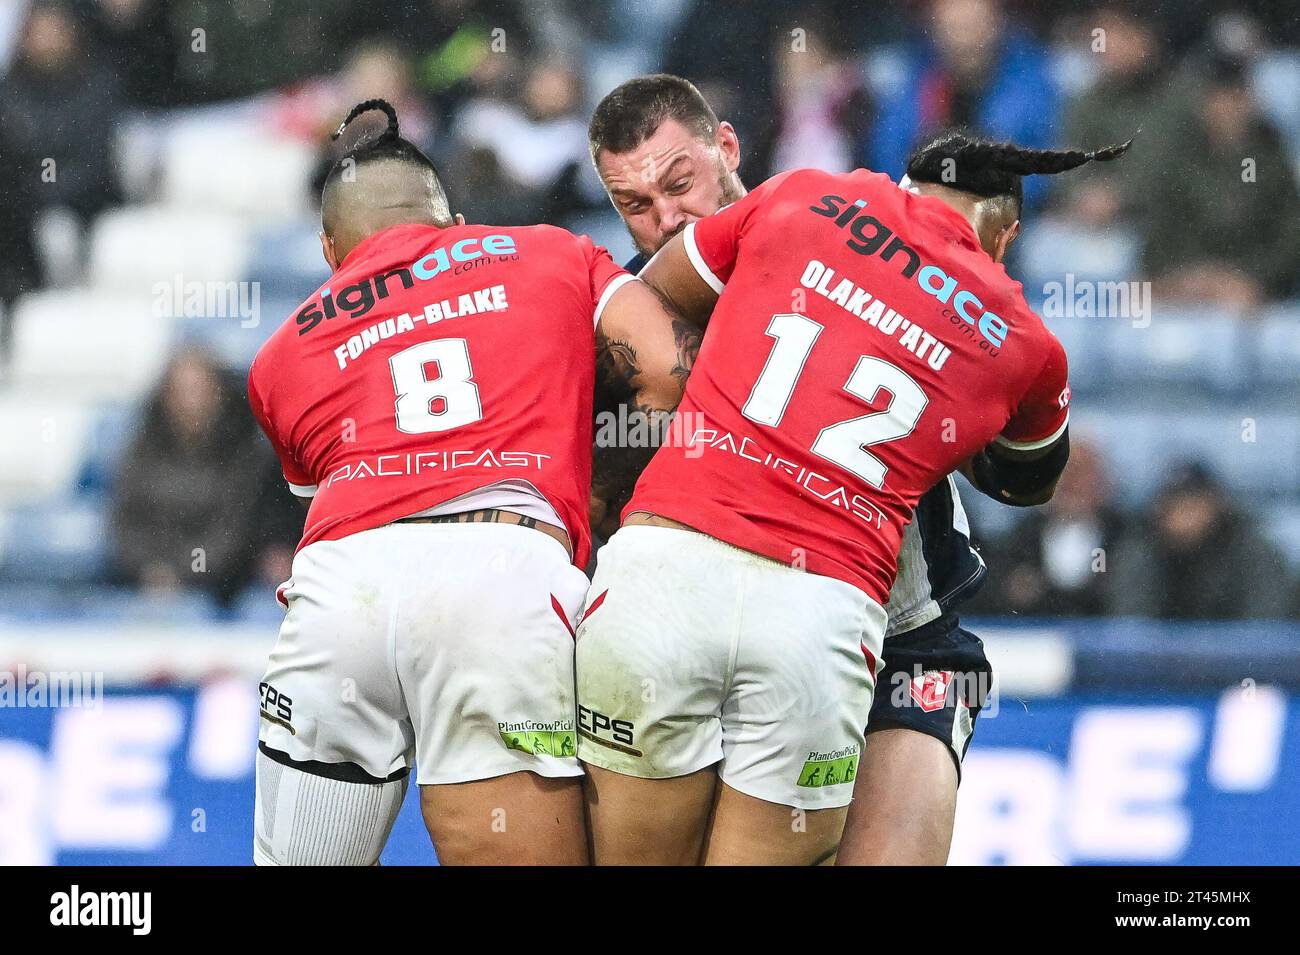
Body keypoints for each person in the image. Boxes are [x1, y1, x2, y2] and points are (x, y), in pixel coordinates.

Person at [579, 116, 1128, 864]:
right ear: (1003, 239)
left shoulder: (791, 205)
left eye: (678, 185)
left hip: (843, 618)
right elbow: (1027, 477)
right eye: (635, 203)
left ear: (729, 153)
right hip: (828, 612)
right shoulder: (1018, 335)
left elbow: (649, 296)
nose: (666, 216)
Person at [247, 99, 693, 866]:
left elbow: (330, 496)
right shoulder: (550, 253)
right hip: (501, 574)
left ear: (330, 250)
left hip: (343, 589)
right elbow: (666, 367)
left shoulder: (282, 354)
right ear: (452, 221)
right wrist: (597, 490)